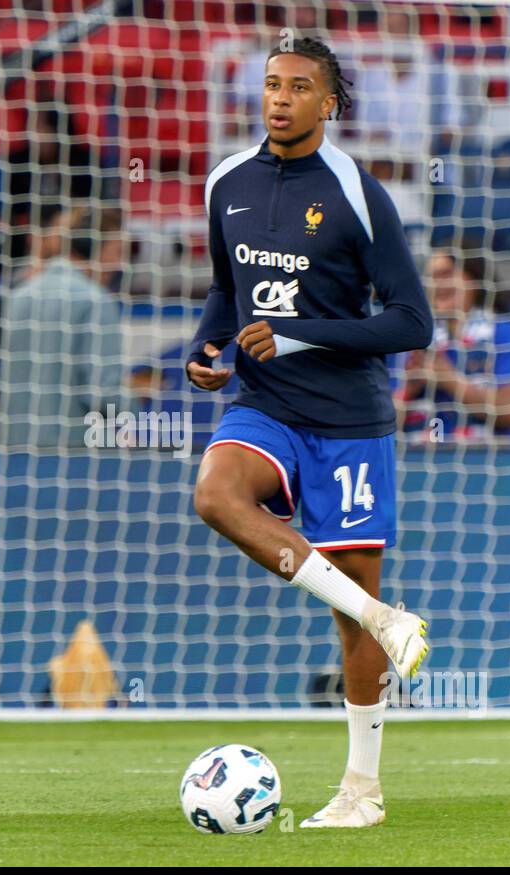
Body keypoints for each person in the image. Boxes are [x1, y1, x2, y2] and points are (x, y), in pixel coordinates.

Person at [186, 38, 433, 830]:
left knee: (346, 604)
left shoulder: (360, 194)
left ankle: (361, 792)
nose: (280, 98)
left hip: (351, 421)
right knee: (217, 497)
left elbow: (411, 323)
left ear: (330, 103)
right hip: (264, 407)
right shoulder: (227, 180)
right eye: (270, 85)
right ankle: (384, 618)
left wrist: (297, 333)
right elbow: (229, 290)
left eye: (298, 87)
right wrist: (208, 346)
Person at [0, 207, 127, 449]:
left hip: (14, 455)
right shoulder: (96, 301)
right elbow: (103, 392)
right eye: (117, 251)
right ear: (93, 247)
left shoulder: (19, 296)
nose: (120, 264)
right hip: (73, 458)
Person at [396, 249, 510, 440]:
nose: (437, 284)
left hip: (495, 461)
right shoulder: (415, 341)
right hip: (424, 459)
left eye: (446, 274)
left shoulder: (506, 335)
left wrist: (449, 380)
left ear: (473, 280)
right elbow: (382, 423)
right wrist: (411, 387)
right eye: (431, 277)